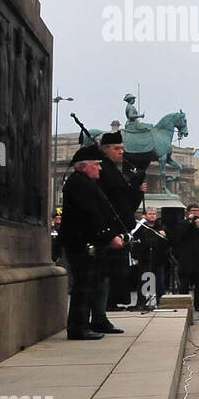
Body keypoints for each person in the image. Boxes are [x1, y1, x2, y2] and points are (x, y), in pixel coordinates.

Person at [59, 145, 127, 339]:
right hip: (81, 242)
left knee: (94, 281)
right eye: (96, 164)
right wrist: (108, 236)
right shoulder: (79, 183)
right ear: (84, 166)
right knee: (84, 285)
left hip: (89, 242)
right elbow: (91, 214)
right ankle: (78, 327)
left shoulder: (85, 182)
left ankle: (94, 321)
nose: (100, 168)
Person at [94, 130, 142, 329]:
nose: (121, 152)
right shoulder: (103, 170)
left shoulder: (114, 170)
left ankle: (103, 314)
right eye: (117, 148)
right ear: (105, 150)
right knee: (104, 275)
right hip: (108, 231)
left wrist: (137, 189)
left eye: (122, 148)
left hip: (119, 229)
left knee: (113, 273)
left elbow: (126, 203)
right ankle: (100, 314)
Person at [171, 203, 199, 311]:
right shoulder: (183, 223)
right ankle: (184, 304)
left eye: (197, 210)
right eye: (193, 210)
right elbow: (180, 236)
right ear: (188, 212)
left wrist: (198, 226)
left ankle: (198, 305)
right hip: (186, 258)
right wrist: (190, 223)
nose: (195, 213)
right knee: (184, 284)